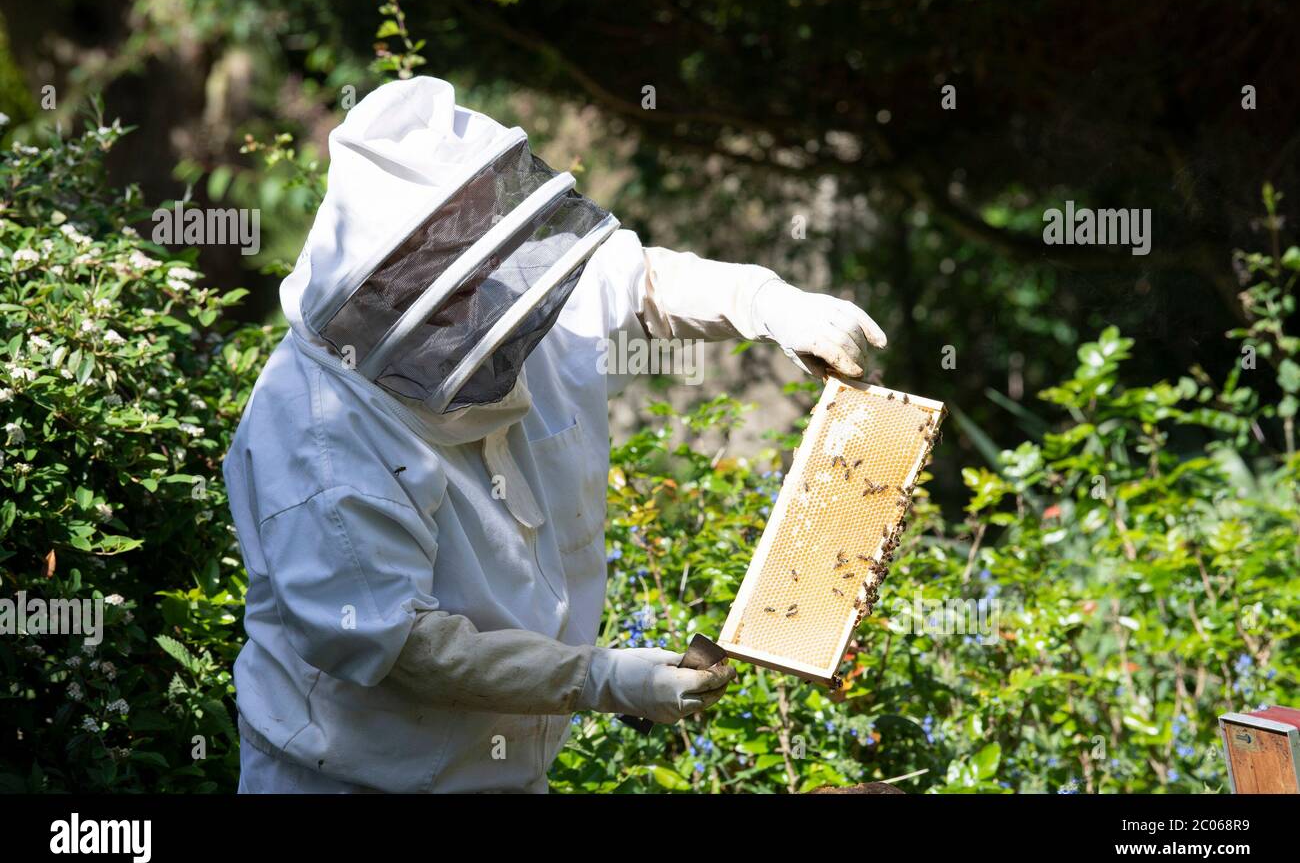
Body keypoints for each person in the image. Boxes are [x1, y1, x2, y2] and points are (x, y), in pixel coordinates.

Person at [224, 77, 887, 793]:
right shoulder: (318, 436)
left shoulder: (501, 291)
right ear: (399, 271)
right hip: (352, 778)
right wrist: (599, 678)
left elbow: (639, 283)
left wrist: (765, 302)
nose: (490, 285)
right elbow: (404, 646)